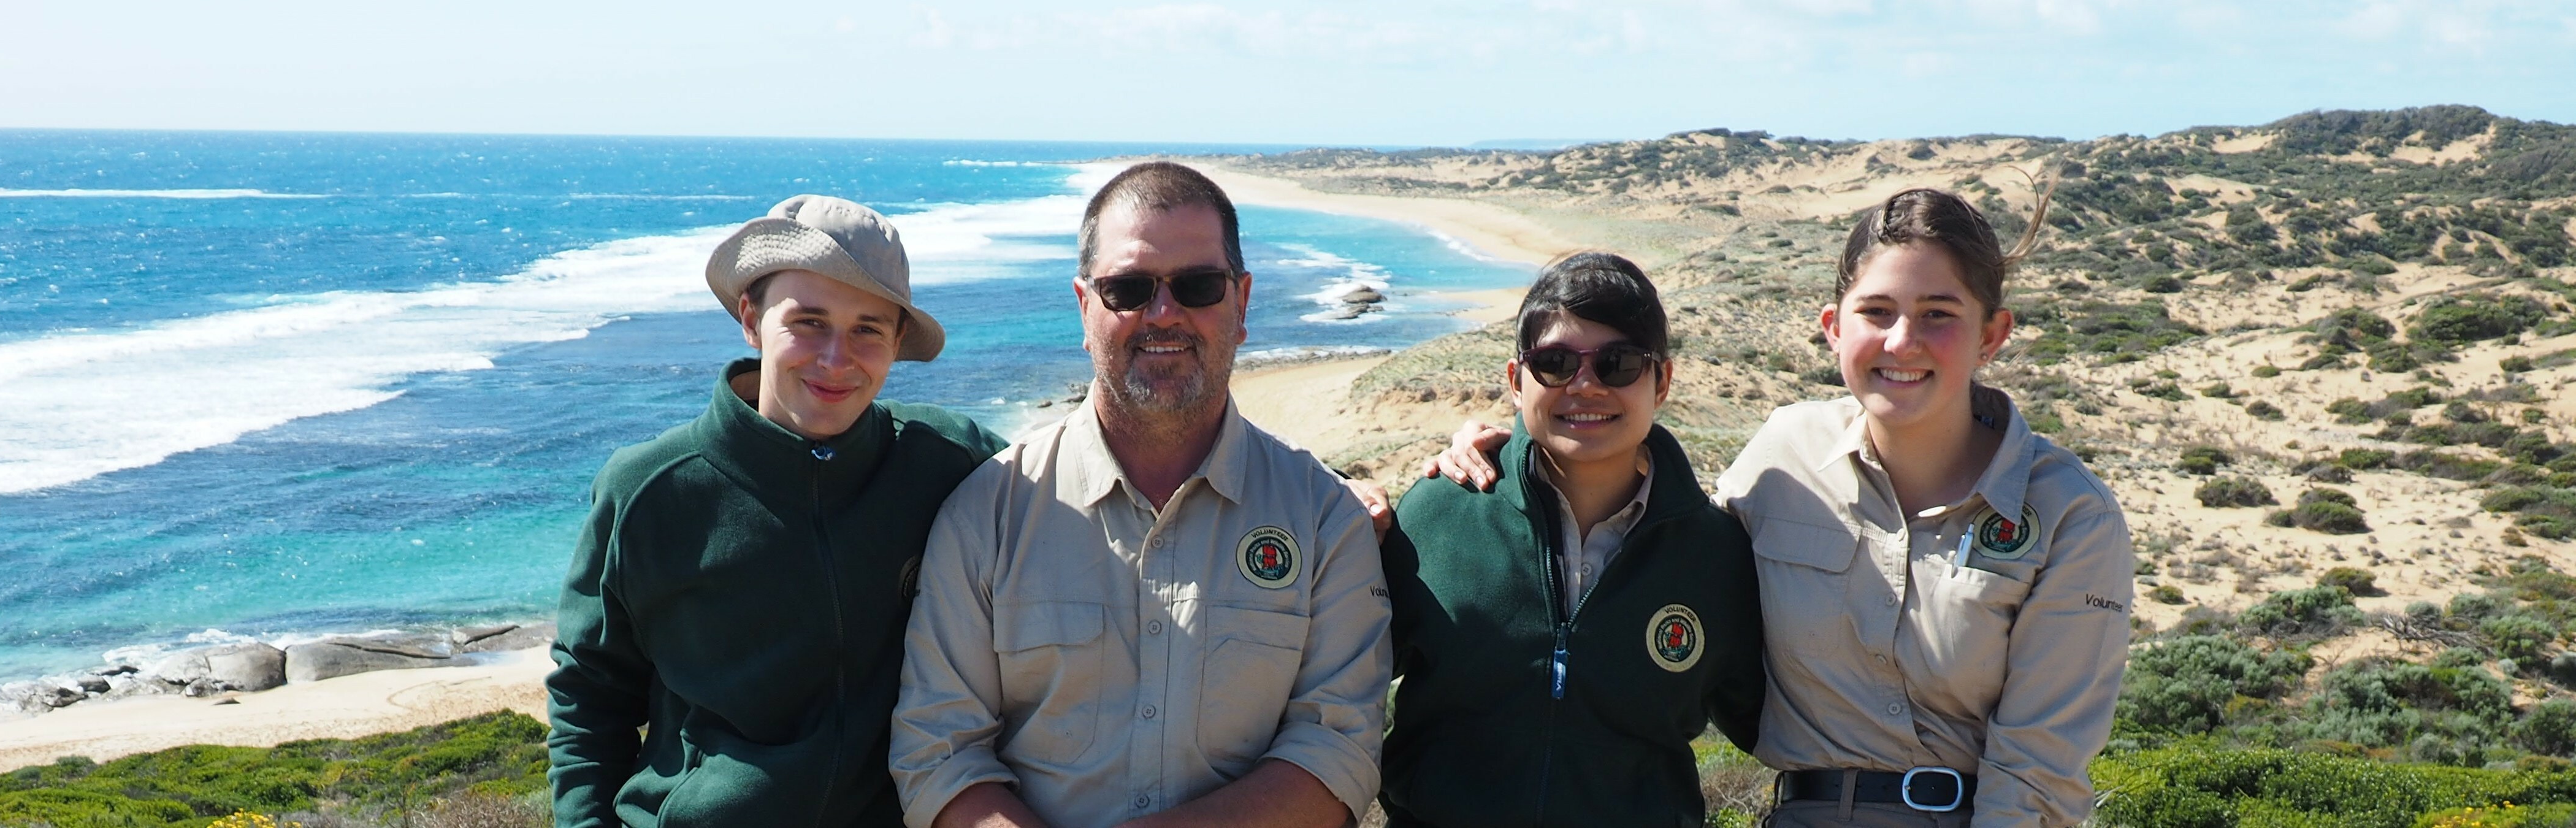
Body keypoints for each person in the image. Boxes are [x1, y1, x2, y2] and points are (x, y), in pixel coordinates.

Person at [1425, 188, 2132, 827]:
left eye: (1937, 315)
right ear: (1833, 326)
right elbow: (1658, 536)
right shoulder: (1785, 452)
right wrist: (1501, 452)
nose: (1900, 341)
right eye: (1876, 312)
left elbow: (2037, 773)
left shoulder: (2069, 515)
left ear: (1992, 334)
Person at [890, 162, 1390, 828]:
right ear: (1083, 306)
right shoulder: (987, 514)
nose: (1162, 314)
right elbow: (939, 756)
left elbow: (1338, 752)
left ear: (1240, 303)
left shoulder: (1325, 518)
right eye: (1126, 288)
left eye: (1197, 285)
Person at [546, 195, 1009, 828]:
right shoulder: (649, 490)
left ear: (897, 341)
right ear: (750, 317)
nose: (834, 358)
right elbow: (588, 697)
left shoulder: (950, 461)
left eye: (867, 328)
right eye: (809, 321)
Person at [1380, 251, 1765, 827]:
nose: (1584, 386)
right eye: (1554, 363)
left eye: (1618, 363)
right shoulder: (1437, 514)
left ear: (1661, 382)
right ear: (1516, 382)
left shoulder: (1717, 555)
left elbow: (1777, 723)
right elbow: (1333, 690)